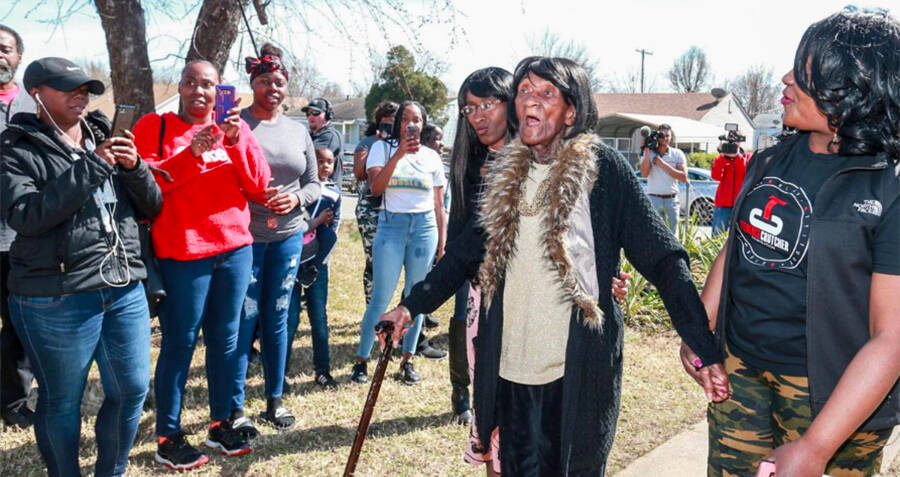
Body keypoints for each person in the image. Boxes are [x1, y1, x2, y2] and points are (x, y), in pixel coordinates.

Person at [380, 57, 728, 475]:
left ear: (572, 111)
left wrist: (702, 346)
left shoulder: (602, 170)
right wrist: (410, 306)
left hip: (575, 371)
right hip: (510, 368)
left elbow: (664, 260)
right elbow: (462, 255)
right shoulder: (508, 174)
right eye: (525, 91)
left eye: (547, 94)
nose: (531, 100)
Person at [680, 8, 900, 477]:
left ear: (852, 89)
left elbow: (892, 337)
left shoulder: (890, 185)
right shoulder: (768, 160)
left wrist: (818, 447)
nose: (786, 79)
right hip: (741, 379)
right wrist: (698, 332)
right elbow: (735, 248)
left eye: (805, 72)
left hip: (835, 400)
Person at [0, 57, 162, 477]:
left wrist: (135, 168)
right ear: (36, 94)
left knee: (131, 391)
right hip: (56, 296)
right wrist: (93, 166)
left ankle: (112, 471)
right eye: (67, 87)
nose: (81, 95)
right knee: (61, 399)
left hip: (123, 287)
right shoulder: (16, 148)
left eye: (86, 89)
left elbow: (153, 206)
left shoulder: (103, 136)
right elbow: (28, 215)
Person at [132, 59, 271, 470]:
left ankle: (220, 422)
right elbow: (148, 185)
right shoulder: (153, 128)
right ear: (180, 86)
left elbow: (260, 186)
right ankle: (168, 435)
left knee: (227, 341)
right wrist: (191, 153)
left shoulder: (237, 128)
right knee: (180, 342)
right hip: (182, 252)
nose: (199, 91)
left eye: (207, 84)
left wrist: (234, 140)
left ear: (219, 90)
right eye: (190, 83)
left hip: (234, 250)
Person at [229, 45, 320, 439]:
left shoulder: (299, 131)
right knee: (243, 319)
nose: (273, 88)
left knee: (278, 316)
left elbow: (316, 184)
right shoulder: (237, 124)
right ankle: (233, 407)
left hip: (287, 238)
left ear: (287, 88)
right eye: (265, 81)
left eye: (279, 82)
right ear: (253, 84)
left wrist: (297, 198)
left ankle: (275, 398)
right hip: (244, 239)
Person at [351, 100, 447, 386]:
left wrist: (442, 244)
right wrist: (400, 153)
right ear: (398, 124)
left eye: (416, 119)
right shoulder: (382, 148)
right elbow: (376, 187)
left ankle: (407, 360)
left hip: (424, 227)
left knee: (415, 295)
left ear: (423, 123)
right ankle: (361, 361)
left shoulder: (432, 157)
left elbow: (439, 204)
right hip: (391, 226)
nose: (411, 124)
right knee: (381, 294)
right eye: (405, 119)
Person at [0, 23, 36, 429]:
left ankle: (13, 403)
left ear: (18, 56)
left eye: (5, 49)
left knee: (18, 322)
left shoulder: (35, 103)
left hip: (23, 237)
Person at [286, 146, 342, 389]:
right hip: (293, 262)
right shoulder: (299, 189)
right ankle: (281, 373)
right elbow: (295, 225)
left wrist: (321, 262)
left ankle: (323, 370)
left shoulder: (335, 192)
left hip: (317, 266)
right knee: (289, 320)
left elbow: (335, 227)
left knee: (319, 318)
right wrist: (316, 222)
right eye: (320, 161)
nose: (325, 166)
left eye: (330, 162)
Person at [353, 101, 397, 305]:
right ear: (378, 123)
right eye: (385, 123)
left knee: (391, 263)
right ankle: (372, 308)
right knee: (373, 261)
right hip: (370, 209)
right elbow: (359, 174)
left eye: (394, 122)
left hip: (395, 208)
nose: (390, 127)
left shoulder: (402, 144)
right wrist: (376, 147)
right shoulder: (368, 142)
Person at [640, 123, 687, 233]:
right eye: (662, 135)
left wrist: (663, 164)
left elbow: (683, 177)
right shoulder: (650, 153)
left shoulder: (677, 154)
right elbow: (644, 173)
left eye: (668, 136)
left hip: (671, 199)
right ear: (657, 137)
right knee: (654, 233)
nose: (665, 138)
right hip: (654, 198)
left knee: (672, 234)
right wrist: (646, 150)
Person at [710, 136, 750, 236]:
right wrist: (722, 157)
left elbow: (745, 173)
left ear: (740, 142)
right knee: (717, 236)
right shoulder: (722, 158)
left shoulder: (747, 157)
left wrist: (737, 156)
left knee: (740, 236)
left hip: (741, 204)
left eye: (736, 141)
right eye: (730, 141)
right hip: (723, 205)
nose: (733, 144)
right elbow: (715, 176)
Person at [303, 97, 343, 185]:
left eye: (316, 113)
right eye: (308, 113)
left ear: (328, 115)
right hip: (311, 190)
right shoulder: (310, 135)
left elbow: (306, 158)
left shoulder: (330, 136)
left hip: (325, 193)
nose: (311, 116)